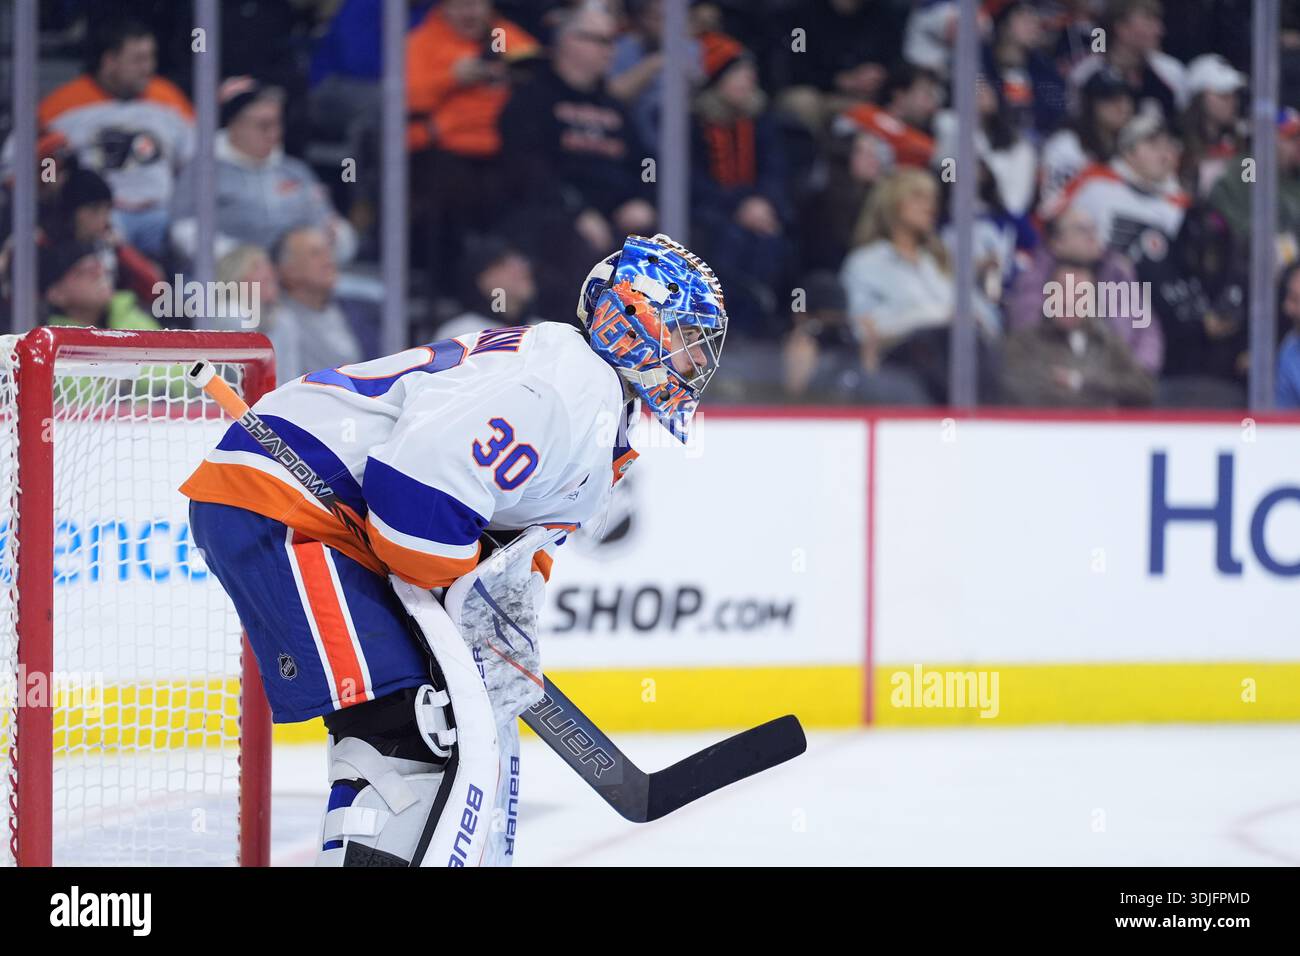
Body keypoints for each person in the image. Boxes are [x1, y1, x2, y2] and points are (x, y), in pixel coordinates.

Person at [181, 233, 728, 866]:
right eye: (687, 337)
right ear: (634, 320)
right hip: (287, 500)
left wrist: (499, 625)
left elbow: (515, 547)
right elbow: (412, 493)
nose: (695, 361)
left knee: (423, 725)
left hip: (313, 510)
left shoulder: (598, 410)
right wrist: (468, 610)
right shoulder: (565, 385)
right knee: (403, 731)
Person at [36, 19, 194, 257]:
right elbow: (25, 161)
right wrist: (52, 182)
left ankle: (197, 294)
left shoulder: (169, 97)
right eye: (138, 59)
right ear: (110, 61)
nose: (148, 67)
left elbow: (196, 163)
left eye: (151, 57)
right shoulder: (63, 104)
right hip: (103, 214)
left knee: (194, 239)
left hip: (163, 214)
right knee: (104, 248)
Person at [170, 77, 358, 266]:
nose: (274, 134)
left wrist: (339, 238)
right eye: (263, 126)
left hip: (300, 275)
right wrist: (241, 260)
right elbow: (183, 229)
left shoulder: (296, 171)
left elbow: (331, 224)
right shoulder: (203, 171)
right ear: (235, 125)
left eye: (277, 124)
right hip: (229, 277)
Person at [271, 226, 365, 381]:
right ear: (289, 270)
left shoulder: (348, 312)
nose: (328, 260)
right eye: (315, 254)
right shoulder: (279, 320)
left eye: (329, 252)